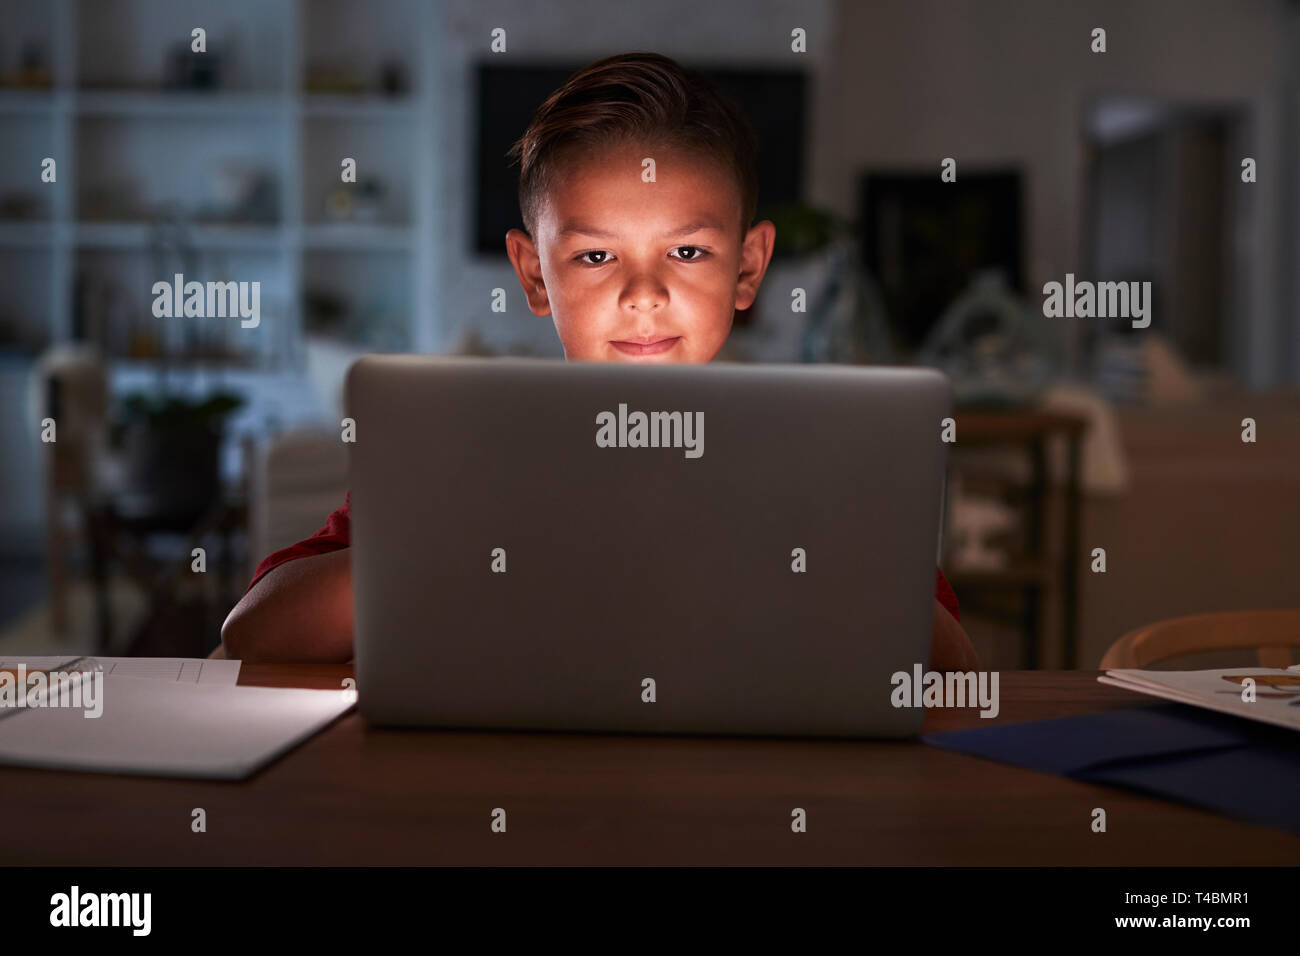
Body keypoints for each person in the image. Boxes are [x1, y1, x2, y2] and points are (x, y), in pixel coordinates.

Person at [220, 51, 979, 672]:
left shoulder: (819, 458)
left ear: (748, 267)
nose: (643, 295)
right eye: (594, 256)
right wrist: (468, 528)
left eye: (687, 252)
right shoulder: (464, 450)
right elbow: (255, 632)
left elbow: (954, 668)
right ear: (532, 275)